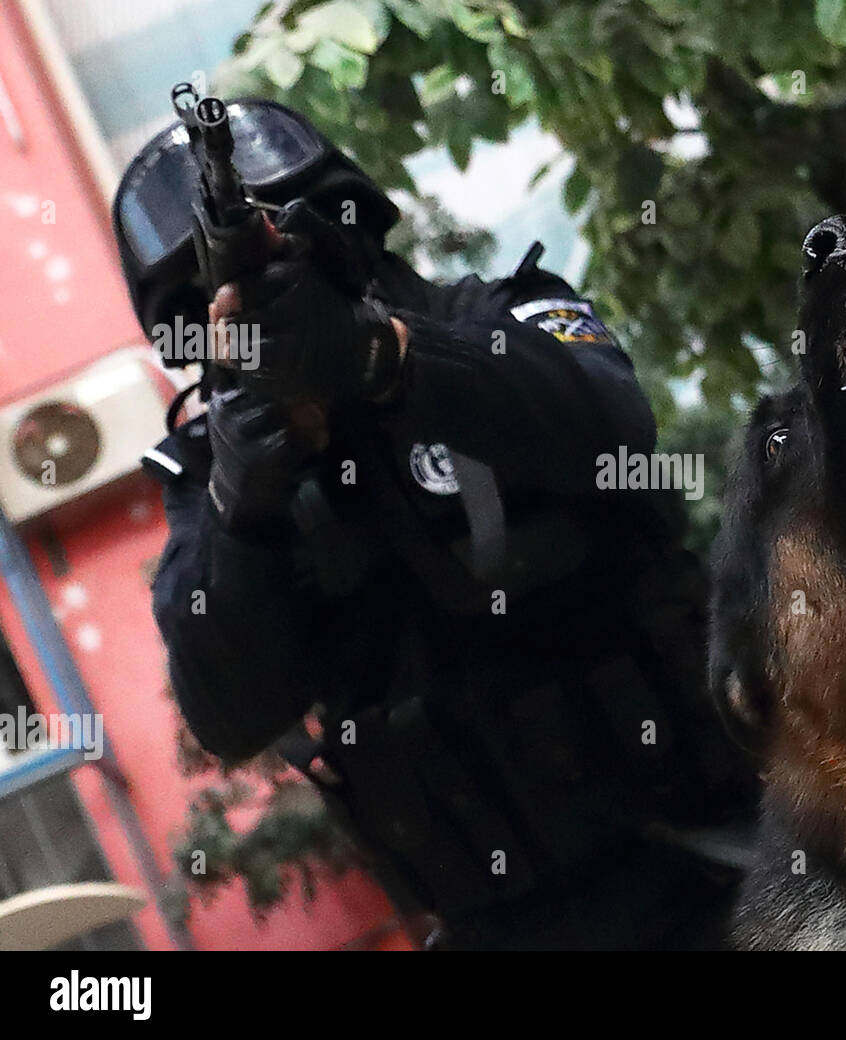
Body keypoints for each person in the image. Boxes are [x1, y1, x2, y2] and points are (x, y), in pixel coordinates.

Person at [112, 98, 756, 949]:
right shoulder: (216, 474)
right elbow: (227, 714)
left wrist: (384, 357)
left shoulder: (493, 317)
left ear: (350, 229)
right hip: (505, 925)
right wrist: (247, 504)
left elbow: (615, 427)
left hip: (731, 857)